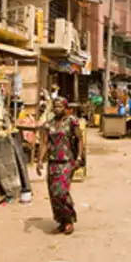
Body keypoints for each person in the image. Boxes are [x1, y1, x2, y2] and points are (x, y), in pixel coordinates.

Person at [38, 96, 82, 234]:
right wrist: (40, 160)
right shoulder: (48, 124)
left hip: (67, 162)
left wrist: (79, 157)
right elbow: (44, 143)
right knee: (53, 194)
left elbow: (79, 139)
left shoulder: (71, 122)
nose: (57, 109)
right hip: (53, 162)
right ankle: (61, 221)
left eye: (60, 106)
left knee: (61, 192)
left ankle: (69, 219)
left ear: (65, 108)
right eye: (55, 106)